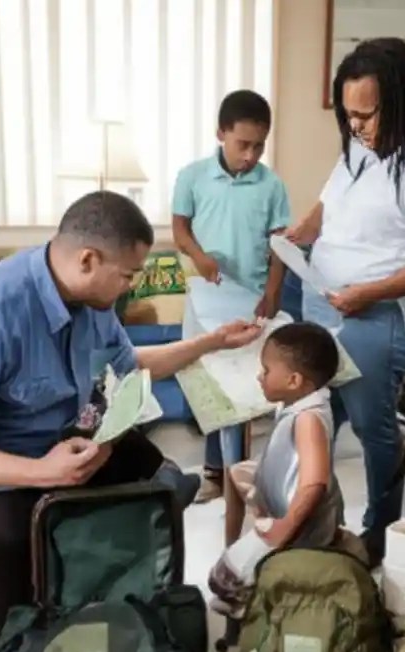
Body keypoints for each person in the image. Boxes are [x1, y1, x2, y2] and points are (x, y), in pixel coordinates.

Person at [0, 191, 263, 637]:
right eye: (128, 275)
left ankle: (91, 565)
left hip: (66, 439)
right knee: (13, 617)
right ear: (87, 260)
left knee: (164, 486)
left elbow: (127, 364)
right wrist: (43, 473)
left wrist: (208, 343)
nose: (131, 286)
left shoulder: (95, 305)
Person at [282, 38, 405, 562]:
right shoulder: (358, 149)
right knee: (314, 415)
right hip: (326, 301)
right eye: (348, 114)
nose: (355, 125)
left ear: (401, 102)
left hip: (376, 316)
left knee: (371, 428)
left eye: (365, 114)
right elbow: (326, 207)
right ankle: (312, 519)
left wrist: (366, 294)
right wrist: (299, 233)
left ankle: (379, 532)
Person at [172, 89, 292, 504]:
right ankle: (213, 473)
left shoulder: (272, 185)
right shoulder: (192, 176)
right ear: (221, 132)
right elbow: (180, 231)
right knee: (210, 387)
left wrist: (274, 291)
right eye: (243, 144)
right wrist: (200, 257)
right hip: (206, 300)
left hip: (251, 300)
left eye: (259, 146)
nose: (250, 155)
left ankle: (239, 477)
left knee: (241, 393)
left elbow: (281, 245)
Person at [207, 321, 361, 617]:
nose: (259, 376)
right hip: (279, 498)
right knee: (235, 471)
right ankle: (240, 551)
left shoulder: (308, 419)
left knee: (220, 582)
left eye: (265, 371)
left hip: (300, 525)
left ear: (293, 381)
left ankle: (255, 600)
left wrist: (283, 530)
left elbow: (314, 483)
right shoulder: (298, 400)